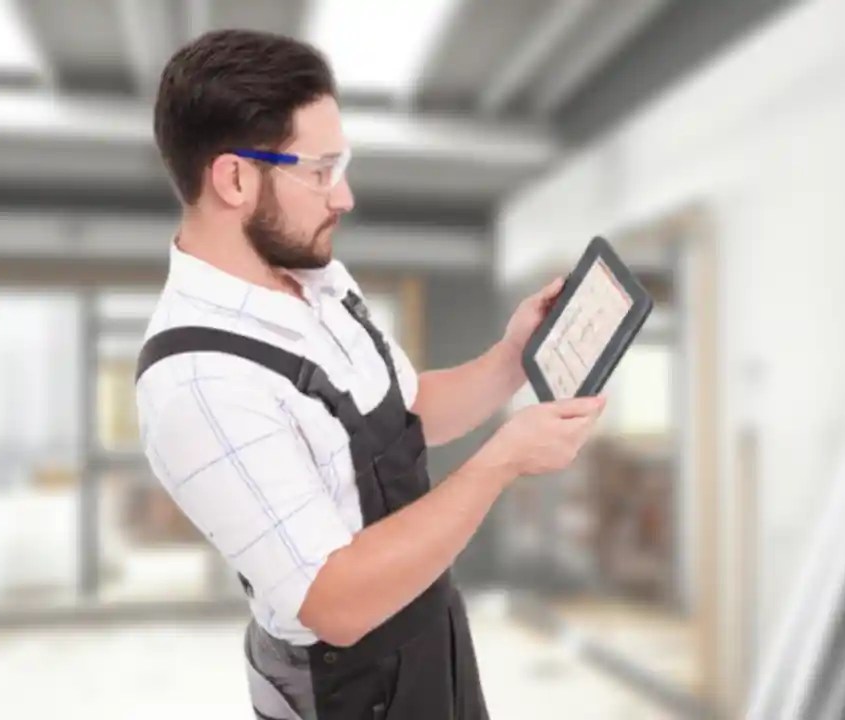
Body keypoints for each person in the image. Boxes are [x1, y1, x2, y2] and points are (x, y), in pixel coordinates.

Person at [135, 29, 607, 720]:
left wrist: (512, 358)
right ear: (234, 179)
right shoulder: (200, 382)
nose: (344, 196)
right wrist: (501, 463)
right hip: (352, 693)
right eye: (320, 171)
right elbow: (338, 602)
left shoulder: (311, 278)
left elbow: (406, 412)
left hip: (426, 635)